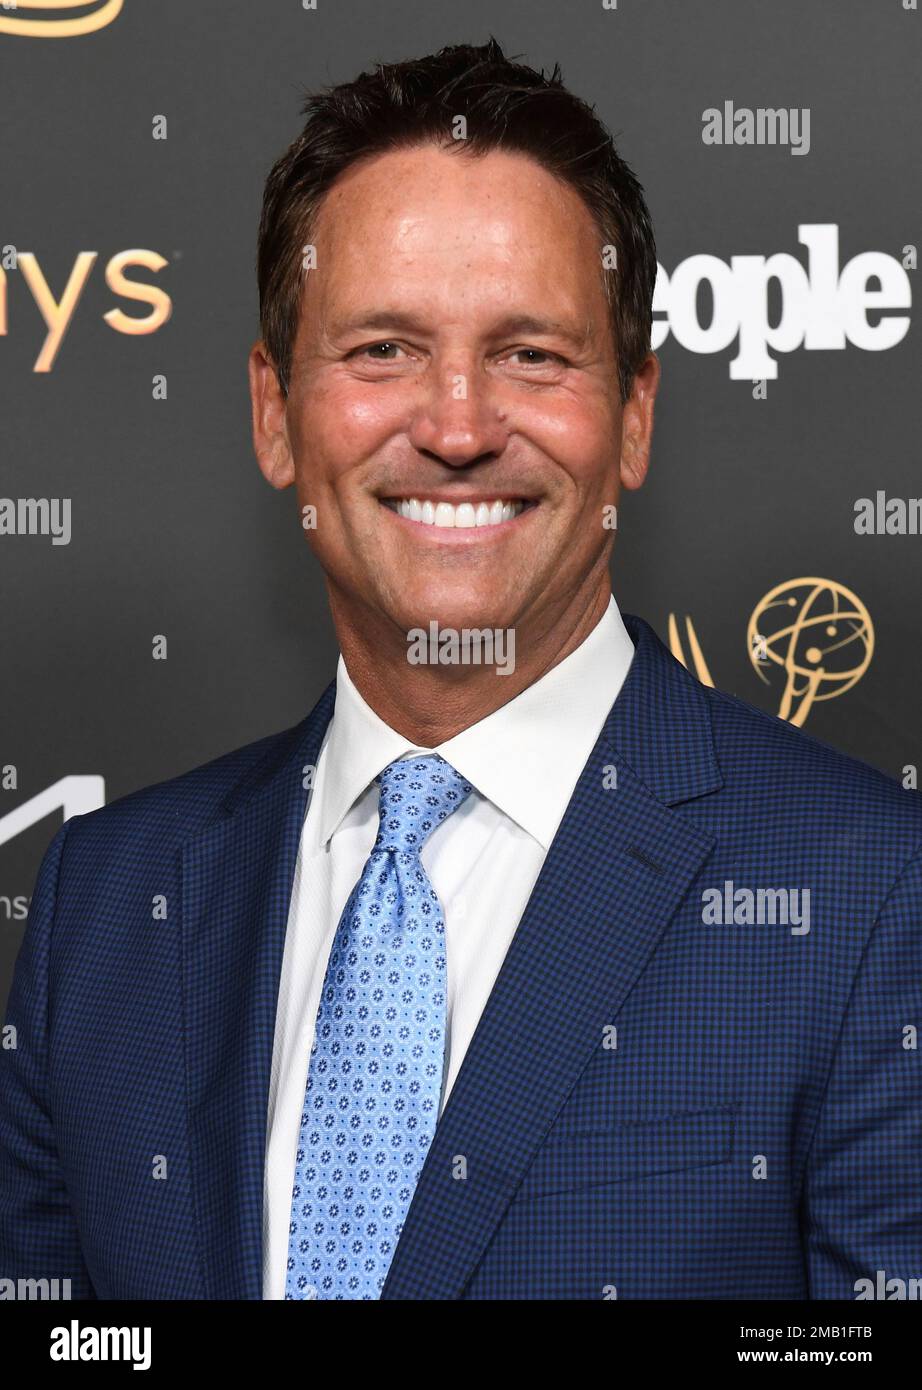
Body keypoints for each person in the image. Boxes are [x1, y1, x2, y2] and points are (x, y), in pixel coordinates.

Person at [2, 39, 920, 1302]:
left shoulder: (870, 898)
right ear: (275, 415)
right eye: (381, 349)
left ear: (634, 414)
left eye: (531, 354)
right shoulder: (105, 903)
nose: (455, 425)